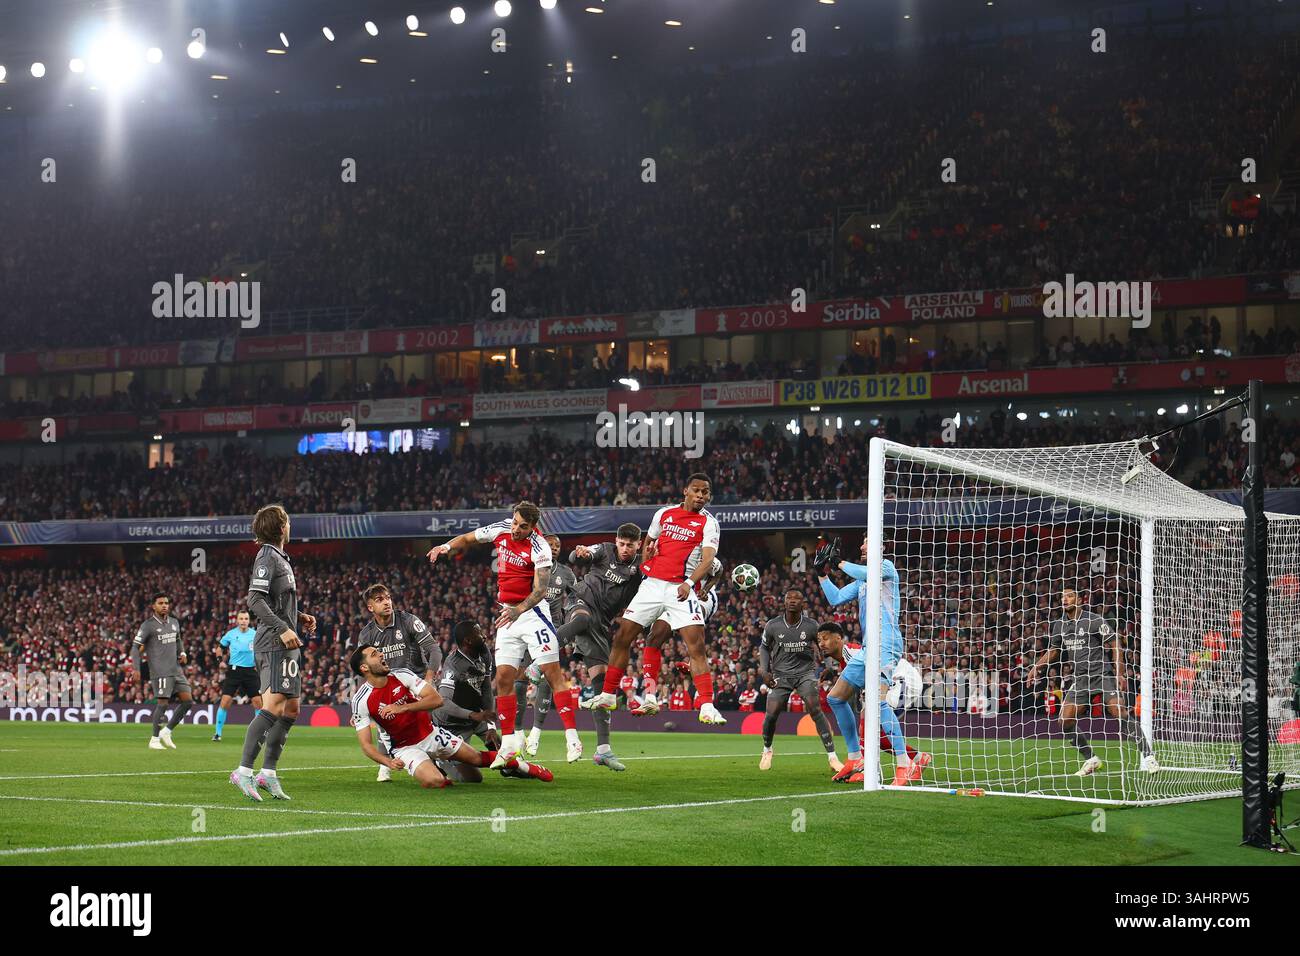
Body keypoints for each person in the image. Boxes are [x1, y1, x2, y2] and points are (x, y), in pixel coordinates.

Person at [428, 501, 581, 766]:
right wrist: (446, 546)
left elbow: (540, 590)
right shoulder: (500, 529)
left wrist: (518, 610)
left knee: (551, 673)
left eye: (523, 526)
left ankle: (572, 737)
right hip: (508, 614)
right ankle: (509, 745)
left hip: (533, 615)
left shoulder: (540, 547)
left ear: (533, 527)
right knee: (504, 677)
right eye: (514, 522)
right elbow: (467, 538)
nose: (516, 529)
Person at [582, 474, 726, 726]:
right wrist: (647, 561)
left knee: (696, 646)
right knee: (623, 636)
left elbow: (708, 560)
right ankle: (608, 694)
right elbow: (649, 540)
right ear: (685, 491)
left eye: (706, 492)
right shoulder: (664, 514)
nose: (702, 495)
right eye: (697, 490)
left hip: (680, 588)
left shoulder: (709, 524)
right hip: (652, 586)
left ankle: (707, 705)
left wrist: (690, 584)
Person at [349, 643, 551, 787]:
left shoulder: (401, 675)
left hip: (431, 733)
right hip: (405, 748)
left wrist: (401, 708)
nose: (382, 654)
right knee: (435, 781)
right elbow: (366, 745)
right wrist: (388, 762)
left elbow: (436, 700)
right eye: (375, 654)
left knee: (477, 761)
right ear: (364, 667)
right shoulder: (361, 700)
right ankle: (438, 766)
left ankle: (525, 767)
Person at [817, 536, 924, 785]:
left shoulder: (886, 568)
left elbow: (866, 573)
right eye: (862, 542)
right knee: (835, 697)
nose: (862, 546)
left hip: (886, 644)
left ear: (880, 547)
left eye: (867, 542)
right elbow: (835, 598)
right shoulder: (863, 581)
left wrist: (839, 562)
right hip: (868, 647)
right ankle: (856, 758)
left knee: (876, 702)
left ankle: (905, 763)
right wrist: (822, 575)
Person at [230, 504, 316, 802]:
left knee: (291, 710)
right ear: (281, 527)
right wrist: (282, 627)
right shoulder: (267, 555)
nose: (290, 527)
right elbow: (254, 599)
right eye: (288, 522)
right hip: (275, 642)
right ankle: (242, 771)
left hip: (287, 642)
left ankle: (268, 773)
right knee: (273, 707)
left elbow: (274, 600)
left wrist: (298, 616)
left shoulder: (280, 557)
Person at [1025, 588, 1158, 776]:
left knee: (1118, 711)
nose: (1064, 599)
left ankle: (1148, 756)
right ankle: (1091, 759)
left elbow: (1114, 643)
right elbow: (1054, 651)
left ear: (1079, 600)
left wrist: (1119, 673)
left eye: (1069, 596)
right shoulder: (1059, 625)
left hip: (1101, 674)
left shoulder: (1094, 619)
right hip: (1080, 679)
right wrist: (1036, 667)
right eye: (1062, 596)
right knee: (1064, 721)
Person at [549, 523, 642, 770]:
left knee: (602, 685)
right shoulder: (605, 549)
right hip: (581, 600)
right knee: (581, 619)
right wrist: (580, 553)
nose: (624, 549)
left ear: (638, 545)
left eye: (629, 545)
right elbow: (580, 555)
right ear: (617, 541)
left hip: (602, 623)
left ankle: (603, 750)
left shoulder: (640, 568)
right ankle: (543, 654)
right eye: (621, 543)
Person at [357, 583, 442, 782]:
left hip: (415, 681)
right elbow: (365, 667)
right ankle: (385, 765)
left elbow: (434, 650)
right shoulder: (367, 634)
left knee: (429, 722)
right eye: (380, 600)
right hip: (388, 685)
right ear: (370, 607)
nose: (387, 602)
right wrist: (362, 699)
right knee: (384, 722)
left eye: (388, 598)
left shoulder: (408, 621)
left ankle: (438, 761)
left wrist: (429, 679)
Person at [758, 589, 841, 773]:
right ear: (784, 602)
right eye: (789, 598)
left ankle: (832, 757)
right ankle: (767, 750)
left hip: (805, 673)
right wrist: (764, 670)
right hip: (781, 674)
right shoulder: (773, 625)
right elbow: (764, 648)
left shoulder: (812, 626)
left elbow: (823, 645)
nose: (793, 601)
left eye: (797, 598)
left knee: (815, 707)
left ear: (803, 604)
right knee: (771, 714)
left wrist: (828, 664)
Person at [632, 555, 726, 715]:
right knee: (654, 637)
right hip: (675, 595)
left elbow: (719, 570)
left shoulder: (701, 554)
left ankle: (704, 697)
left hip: (701, 597)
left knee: (692, 628)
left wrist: (706, 588)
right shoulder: (666, 552)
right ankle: (650, 698)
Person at [521, 533, 578, 758]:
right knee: (519, 679)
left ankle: (534, 734)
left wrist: (572, 622)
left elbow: (576, 597)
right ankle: (519, 732)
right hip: (528, 629)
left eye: (558, 546)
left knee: (547, 677)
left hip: (553, 631)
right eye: (550, 545)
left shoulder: (566, 573)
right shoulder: (531, 568)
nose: (554, 548)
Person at [129, 593, 192, 750]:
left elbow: (178, 640)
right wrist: (135, 668)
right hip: (160, 670)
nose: (164, 605)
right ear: (153, 606)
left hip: (176, 670)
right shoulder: (147, 625)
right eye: (160, 603)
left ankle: (167, 731)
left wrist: (182, 653)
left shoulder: (174, 622)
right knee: (163, 703)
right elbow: (135, 647)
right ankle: (154, 739)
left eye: (166, 603)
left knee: (188, 701)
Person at [214, 609, 261, 742]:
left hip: (251, 672)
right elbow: (219, 648)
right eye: (241, 619)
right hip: (234, 671)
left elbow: (262, 650)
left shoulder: (255, 634)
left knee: (258, 703)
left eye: (246, 619)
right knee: (225, 702)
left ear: (249, 621)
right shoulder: (231, 634)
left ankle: (258, 733)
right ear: (237, 620)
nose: (243, 621)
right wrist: (220, 661)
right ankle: (217, 733)